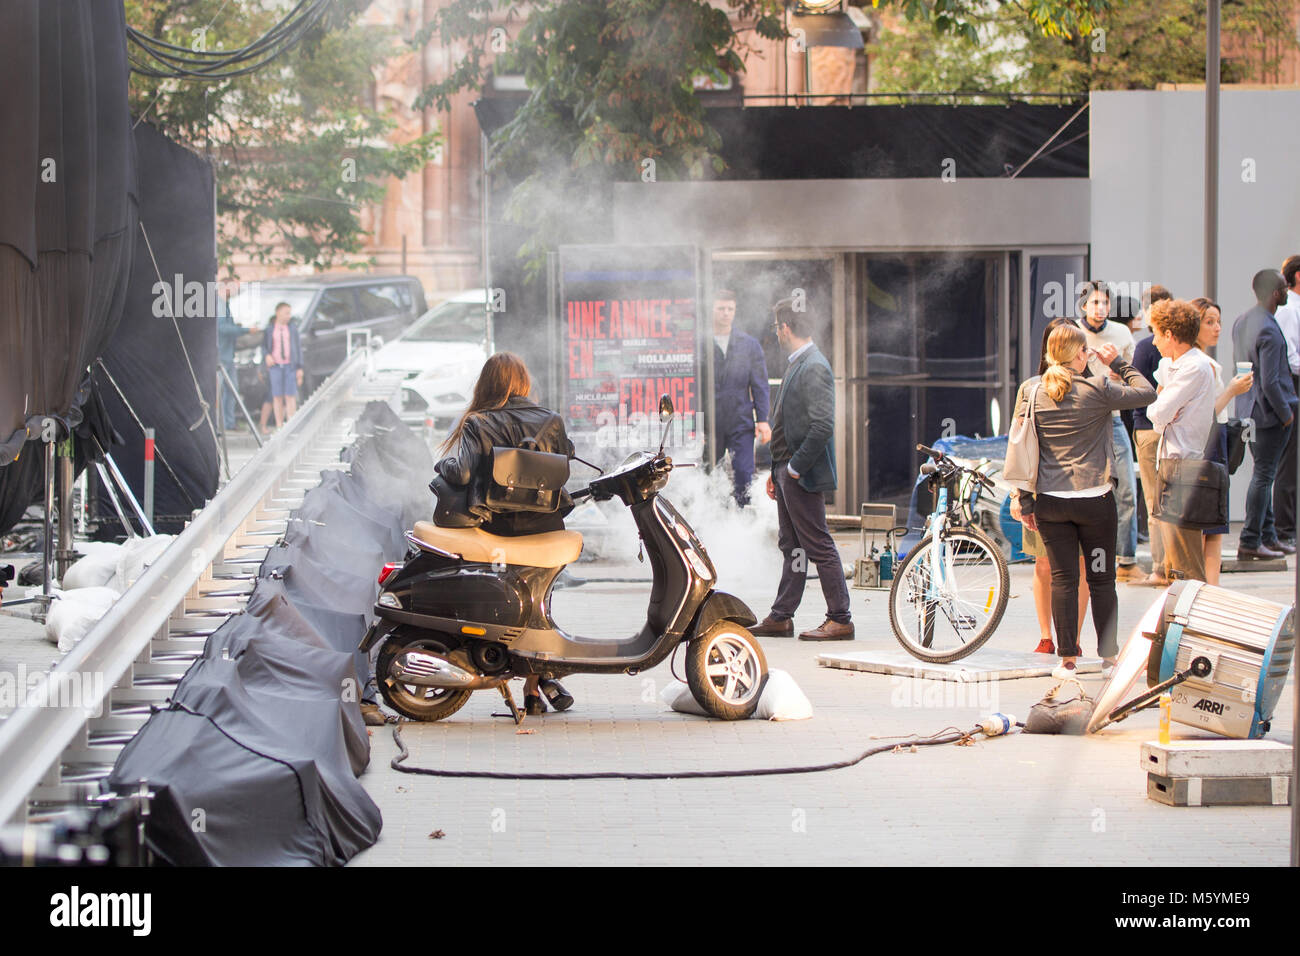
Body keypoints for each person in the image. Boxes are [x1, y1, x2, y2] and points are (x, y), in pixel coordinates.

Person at [432, 352, 576, 715]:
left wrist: (441, 463)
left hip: (498, 527)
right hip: (545, 527)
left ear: (487, 384)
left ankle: (529, 675)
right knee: (540, 601)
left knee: (515, 606)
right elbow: (567, 461)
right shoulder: (551, 420)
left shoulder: (478, 422)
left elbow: (461, 474)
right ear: (524, 383)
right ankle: (535, 686)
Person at [1015, 325, 1155, 680]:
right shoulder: (1098, 389)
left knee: (1063, 579)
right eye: (1084, 353)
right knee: (1102, 579)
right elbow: (1146, 393)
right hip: (1095, 502)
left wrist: (1026, 502)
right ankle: (1108, 659)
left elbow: (1021, 449)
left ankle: (1066, 661)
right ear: (1078, 355)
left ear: (1048, 355)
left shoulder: (1031, 391)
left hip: (1051, 503)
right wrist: (1119, 362)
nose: (1087, 356)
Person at [751, 297, 852, 641]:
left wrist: (793, 468)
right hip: (787, 473)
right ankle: (782, 615)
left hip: (801, 476)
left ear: (785, 328)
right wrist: (777, 470)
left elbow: (822, 426)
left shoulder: (814, 366)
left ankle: (840, 617)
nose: (776, 333)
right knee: (792, 546)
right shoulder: (800, 362)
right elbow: (788, 424)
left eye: (777, 327)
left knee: (817, 544)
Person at [1008, 317, 1091, 654]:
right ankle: (1046, 635)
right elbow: (1018, 443)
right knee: (1044, 563)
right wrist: (1018, 494)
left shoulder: (1093, 388)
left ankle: (1073, 638)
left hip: (1084, 491)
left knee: (1082, 565)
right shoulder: (1030, 388)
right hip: (1041, 491)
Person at [1145, 300, 1220, 582]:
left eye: (1157, 332)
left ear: (1170, 335)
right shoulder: (1184, 365)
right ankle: (1175, 624)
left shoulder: (1194, 367)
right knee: (1176, 561)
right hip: (1176, 465)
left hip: (1181, 467)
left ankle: (1189, 623)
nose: (1153, 340)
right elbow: (1161, 411)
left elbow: (1157, 411)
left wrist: (1163, 409)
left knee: (1184, 561)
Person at [1074, 281, 1143, 581]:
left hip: (1112, 417)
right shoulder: (1071, 331)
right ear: (1083, 306)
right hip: (1078, 420)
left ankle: (1126, 561)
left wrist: (1119, 372)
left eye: (1105, 303)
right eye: (1095, 303)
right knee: (1078, 490)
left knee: (1125, 488)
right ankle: (1081, 557)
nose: (1100, 309)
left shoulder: (1122, 333)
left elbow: (1133, 379)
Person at [1231, 269, 1297, 560]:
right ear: (1275, 293)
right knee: (1264, 475)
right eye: (1283, 288)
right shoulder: (1269, 328)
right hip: (1270, 414)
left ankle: (1268, 536)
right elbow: (1269, 380)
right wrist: (1286, 414)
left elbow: (1244, 370)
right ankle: (1250, 539)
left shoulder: (1243, 320)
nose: (1286, 291)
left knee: (1262, 474)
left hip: (1248, 409)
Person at [1189, 297, 1253, 584]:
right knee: (1209, 527)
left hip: (1209, 446)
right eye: (1209, 321)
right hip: (1205, 447)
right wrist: (1231, 391)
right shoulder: (1200, 364)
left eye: (1218, 321)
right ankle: (1207, 594)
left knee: (1212, 528)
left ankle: (1209, 592)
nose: (1217, 328)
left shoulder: (1197, 361)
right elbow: (1202, 413)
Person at [1129, 284, 1174, 587]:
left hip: (1150, 428)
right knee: (1166, 500)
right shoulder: (1152, 347)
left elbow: (1135, 389)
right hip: (1157, 428)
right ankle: (1168, 566)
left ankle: (1162, 567)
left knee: (1155, 500)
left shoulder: (1146, 346)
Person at [710, 289, 772, 506]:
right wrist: (695, 424)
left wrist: (763, 420)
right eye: (721, 308)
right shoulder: (701, 343)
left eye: (730, 309)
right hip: (711, 422)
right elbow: (694, 386)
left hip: (741, 420)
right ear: (711, 309)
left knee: (744, 474)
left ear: (735, 311)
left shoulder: (749, 345)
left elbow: (760, 384)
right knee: (711, 475)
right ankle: (713, 518)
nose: (725, 313)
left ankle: (744, 520)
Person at [1271, 255, 1300, 549]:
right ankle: (1285, 527)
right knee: (1287, 462)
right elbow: (1291, 359)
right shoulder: (1290, 310)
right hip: (1293, 387)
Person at [263, 302, 304, 430]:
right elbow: (264, 347)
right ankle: (279, 423)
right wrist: (267, 356)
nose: (288, 316)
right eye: (286, 313)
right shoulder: (270, 329)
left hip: (289, 365)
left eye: (289, 313)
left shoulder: (292, 329)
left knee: (290, 395)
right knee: (277, 396)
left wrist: (299, 367)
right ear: (278, 312)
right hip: (276, 365)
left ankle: (291, 421)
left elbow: (297, 348)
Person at [215, 279, 246, 430]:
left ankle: (229, 422)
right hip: (220, 356)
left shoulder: (224, 305)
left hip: (227, 355)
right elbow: (222, 329)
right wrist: (244, 330)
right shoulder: (218, 305)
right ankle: (217, 423)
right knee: (219, 391)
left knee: (231, 390)